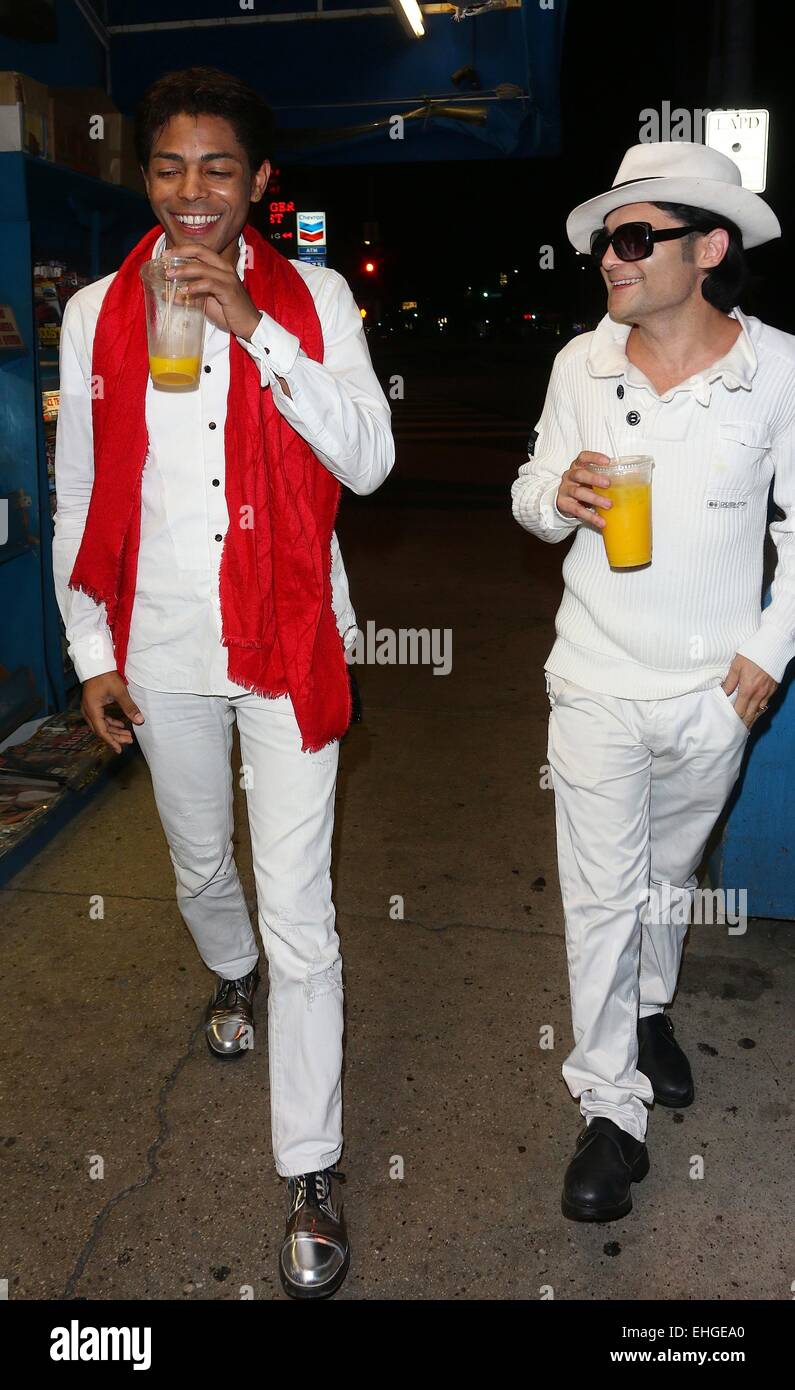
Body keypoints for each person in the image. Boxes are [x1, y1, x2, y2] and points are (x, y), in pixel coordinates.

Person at [53, 66, 394, 1296]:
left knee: (306, 909)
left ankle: (312, 1167)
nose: (192, 192)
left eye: (217, 169)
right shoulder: (97, 310)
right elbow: (84, 491)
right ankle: (229, 969)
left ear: (258, 183)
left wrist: (258, 334)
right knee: (203, 863)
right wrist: (92, 652)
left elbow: (369, 456)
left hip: (289, 634)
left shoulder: (313, 304)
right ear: (143, 176)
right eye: (167, 166)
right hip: (164, 647)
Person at [512, 142, 794, 1222]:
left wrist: (761, 663)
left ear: (708, 247)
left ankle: (652, 1009)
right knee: (599, 899)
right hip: (592, 675)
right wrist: (557, 496)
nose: (609, 261)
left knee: (665, 879)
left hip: (713, 694)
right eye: (605, 242)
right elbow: (530, 490)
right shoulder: (581, 363)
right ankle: (609, 1109)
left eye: (635, 239)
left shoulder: (779, 372)